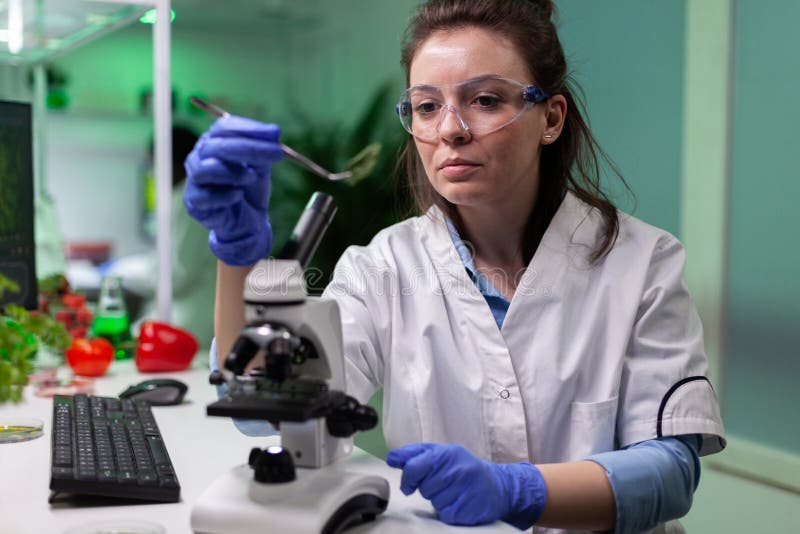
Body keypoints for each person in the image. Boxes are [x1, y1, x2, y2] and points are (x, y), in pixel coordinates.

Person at [183, 1, 726, 532]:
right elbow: (263, 409)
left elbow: (670, 474)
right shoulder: (383, 267)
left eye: (485, 100)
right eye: (426, 106)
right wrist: (238, 256)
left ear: (551, 118)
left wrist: (518, 491)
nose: (450, 129)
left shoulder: (641, 263)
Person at [107, 125, 216, 347]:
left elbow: (177, 275)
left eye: (153, 164)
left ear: (170, 162)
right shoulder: (192, 196)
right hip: (187, 315)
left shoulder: (190, 200)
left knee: (122, 342)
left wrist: (119, 270)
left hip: (189, 322)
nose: (153, 173)